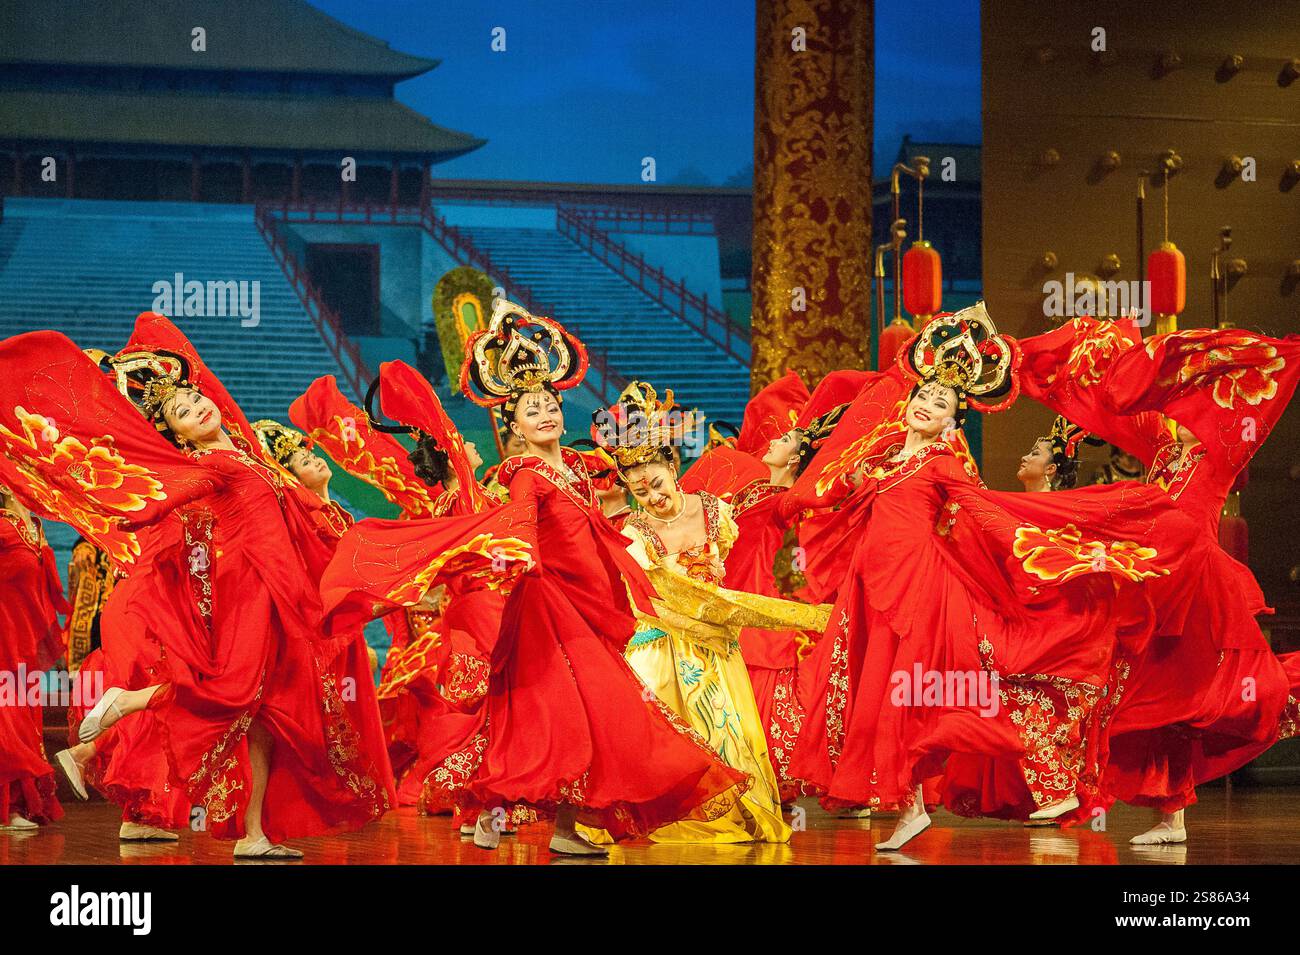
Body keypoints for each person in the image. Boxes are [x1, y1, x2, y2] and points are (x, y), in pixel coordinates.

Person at [320, 300, 747, 855]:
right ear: (512, 425)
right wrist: (515, 554)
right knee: (580, 713)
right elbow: (520, 527)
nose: (545, 412)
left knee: (565, 717)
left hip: (587, 605)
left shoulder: (577, 466)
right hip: (549, 608)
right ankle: (535, 815)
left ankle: (516, 810)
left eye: (550, 403)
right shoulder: (525, 472)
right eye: (531, 409)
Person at [782, 303, 1201, 850]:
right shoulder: (884, 462)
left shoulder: (943, 462)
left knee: (936, 693)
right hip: (873, 586)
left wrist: (1048, 549)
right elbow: (831, 500)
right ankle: (910, 806)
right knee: (887, 693)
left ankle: (1034, 777)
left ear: (955, 420)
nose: (929, 405)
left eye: (943, 403)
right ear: (908, 404)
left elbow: (983, 514)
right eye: (924, 396)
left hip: (923, 590)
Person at [0, 314, 393, 859]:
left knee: (267, 717)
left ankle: (255, 836)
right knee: (234, 694)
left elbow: (299, 510)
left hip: (281, 591)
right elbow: (163, 497)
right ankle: (126, 700)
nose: (197, 407)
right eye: (183, 412)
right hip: (249, 593)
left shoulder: (246, 455)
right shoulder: (212, 466)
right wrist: (123, 507)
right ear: (177, 436)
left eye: (193, 397)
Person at [1014, 316, 1300, 845]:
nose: (1182, 405)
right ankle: (1171, 817)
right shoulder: (1165, 450)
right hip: (1158, 582)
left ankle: (1082, 787)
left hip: (1199, 585)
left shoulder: (1222, 453)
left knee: (1216, 696)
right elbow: (1113, 402)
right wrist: (1030, 365)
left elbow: (1266, 390)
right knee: (1165, 703)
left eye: (1196, 397)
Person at [590, 381, 830, 842]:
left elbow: (724, 584)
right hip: (660, 646)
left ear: (673, 467)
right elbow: (666, 600)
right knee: (656, 739)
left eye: (657, 484)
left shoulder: (717, 512)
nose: (653, 497)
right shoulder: (633, 534)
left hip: (717, 648)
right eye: (640, 492)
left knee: (724, 738)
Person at [0, 483, 67, 831]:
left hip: (24, 639)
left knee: (24, 718)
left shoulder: (34, 526)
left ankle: (21, 804)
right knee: (6, 718)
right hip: (2, 637)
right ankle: (6, 807)